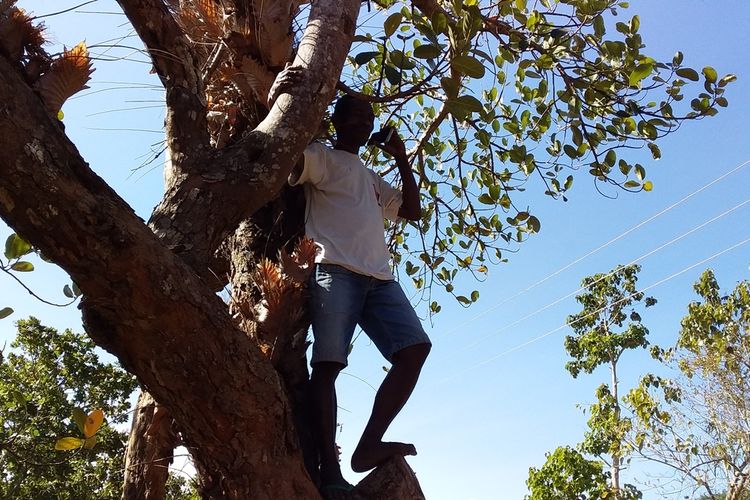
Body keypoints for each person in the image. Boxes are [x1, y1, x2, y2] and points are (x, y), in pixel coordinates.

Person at [284, 90, 431, 498]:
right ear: (337, 121)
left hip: (379, 280)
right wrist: (291, 101)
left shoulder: (368, 175)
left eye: (369, 118)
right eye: (356, 116)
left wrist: (401, 156)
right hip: (334, 271)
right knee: (328, 366)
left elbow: (412, 211)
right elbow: (289, 158)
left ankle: (368, 446)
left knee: (415, 349)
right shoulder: (323, 157)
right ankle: (330, 473)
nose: (365, 123)